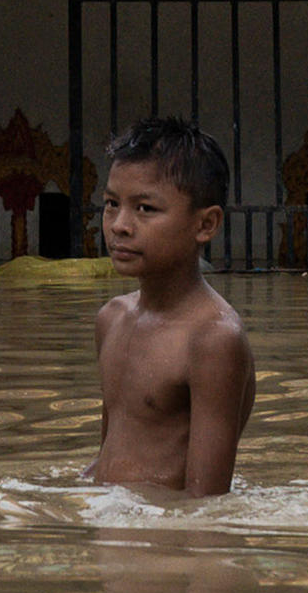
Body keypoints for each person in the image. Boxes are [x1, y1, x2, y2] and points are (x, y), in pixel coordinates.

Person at [86, 116, 256, 498]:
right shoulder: (111, 319)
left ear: (206, 225)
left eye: (145, 208)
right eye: (111, 204)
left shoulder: (213, 341)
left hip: (163, 530)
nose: (119, 225)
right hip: (114, 520)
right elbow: (108, 456)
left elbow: (205, 503)